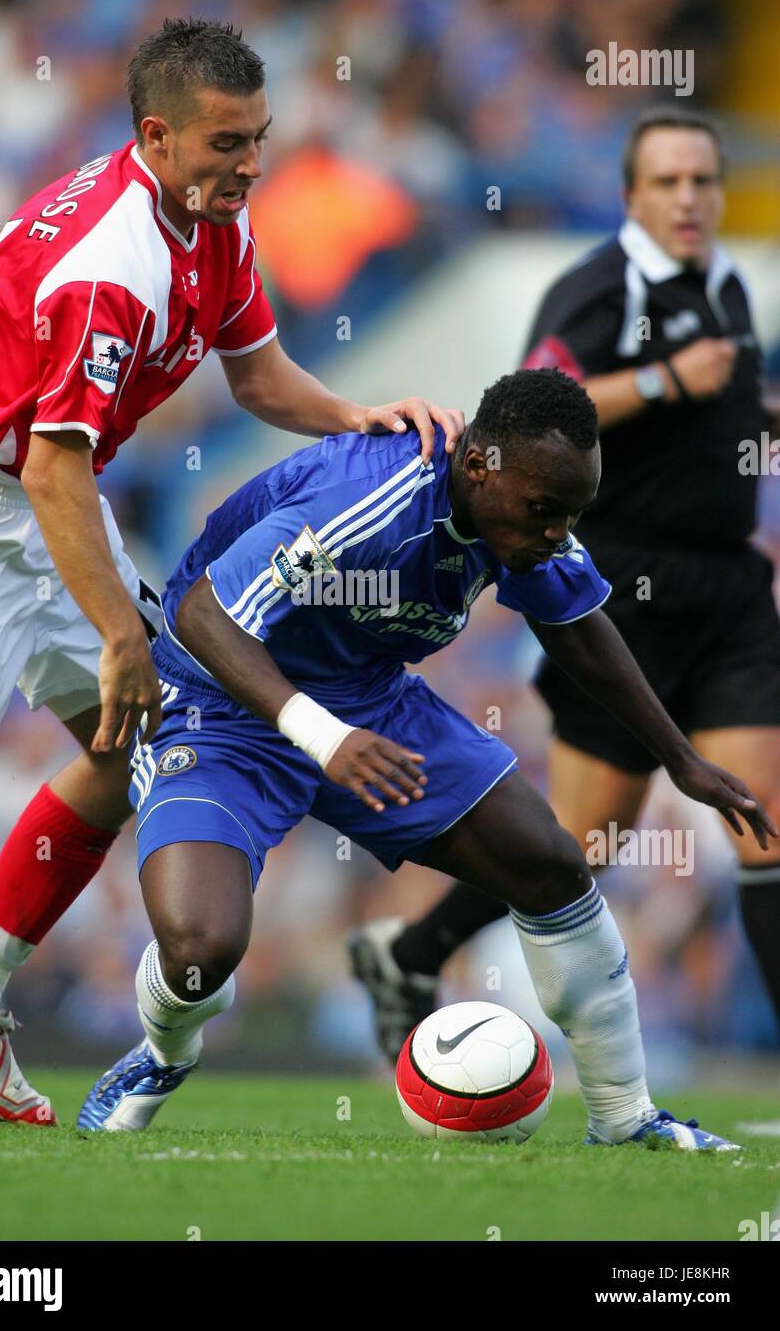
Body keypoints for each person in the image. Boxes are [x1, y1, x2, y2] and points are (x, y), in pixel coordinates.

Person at [0, 17, 462, 1123]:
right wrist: (121, 635)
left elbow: (256, 377)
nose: (249, 164)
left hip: (55, 509)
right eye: (226, 144)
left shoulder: (207, 221)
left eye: (257, 140)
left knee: (140, 743)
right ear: (157, 137)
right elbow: (54, 471)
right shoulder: (107, 265)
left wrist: (356, 413)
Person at [75, 368, 772, 1149]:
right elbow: (204, 613)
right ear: (479, 466)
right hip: (218, 704)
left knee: (547, 862)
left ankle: (624, 1116)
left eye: (572, 515)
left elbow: (578, 626)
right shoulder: (370, 501)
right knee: (201, 952)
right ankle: (163, 1055)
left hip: (365, 700)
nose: (555, 533)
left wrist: (678, 758)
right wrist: (322, 735)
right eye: (546, 512)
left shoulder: (522, 510)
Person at [350, 106, 780, 1062]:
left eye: (701, 181)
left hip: (731, 587)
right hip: (623, 586)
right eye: (665, 181)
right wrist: (668, 379)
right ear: (630, 193)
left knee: (765, 822)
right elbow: (535, 411)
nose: (686, 198)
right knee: (584, 843)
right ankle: (412, 950)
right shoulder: (598, 287)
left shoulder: (729, 289)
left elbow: (725, 408)